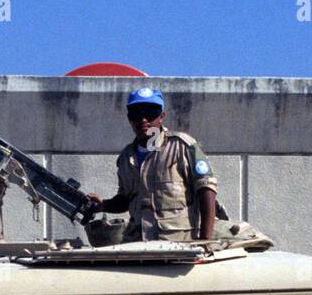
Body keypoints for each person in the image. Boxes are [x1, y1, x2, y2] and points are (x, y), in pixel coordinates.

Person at [88, 87, 219, 242]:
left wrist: (204, 240)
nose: (143, 119)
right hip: (138, 244)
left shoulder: (182, 146)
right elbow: (125, 200)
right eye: (136, 113)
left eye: (150, 113)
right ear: (129, 118)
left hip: (178, 244)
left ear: (161, 116)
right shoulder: (126, 157)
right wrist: (103, 205)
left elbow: (206, 190)